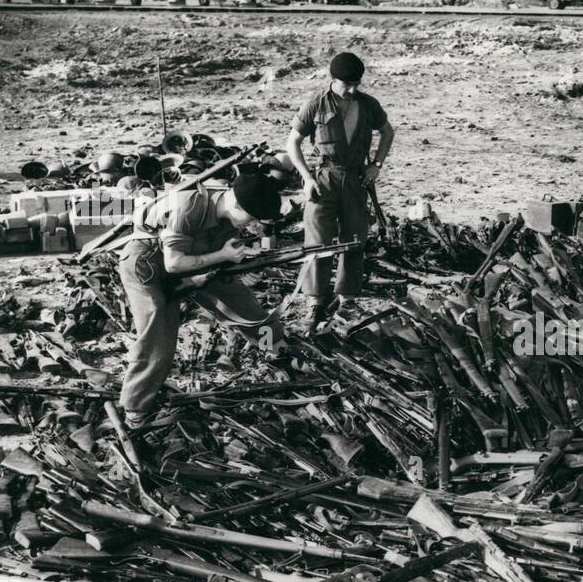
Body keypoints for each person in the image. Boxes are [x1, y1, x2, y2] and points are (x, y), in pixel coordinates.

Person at [117, 173, 287, 430]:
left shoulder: (227, 211)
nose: (251, 225)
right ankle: (136, 409)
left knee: (242, 303)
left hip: (195, 257)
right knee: (158, 334)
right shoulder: (191, 206)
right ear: (236, 205)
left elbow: (222, 249)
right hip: (147, 265)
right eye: (250, 218)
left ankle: (276, 348)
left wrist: (243, 264)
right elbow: (173, 263)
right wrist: (222, 255)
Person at [286, 51, 395, 328]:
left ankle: (347, 300)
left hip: (357, 179)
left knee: (355, 239)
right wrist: (307, 179)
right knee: (318, 242)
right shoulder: (316, 104)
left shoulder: (368, 104)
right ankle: (315, 301)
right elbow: (292, 143)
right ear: (332, 79)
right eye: (346, 84)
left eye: (356, 84)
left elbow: (388, 131)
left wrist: (377, 165)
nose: (351, 90)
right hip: (324, 179)